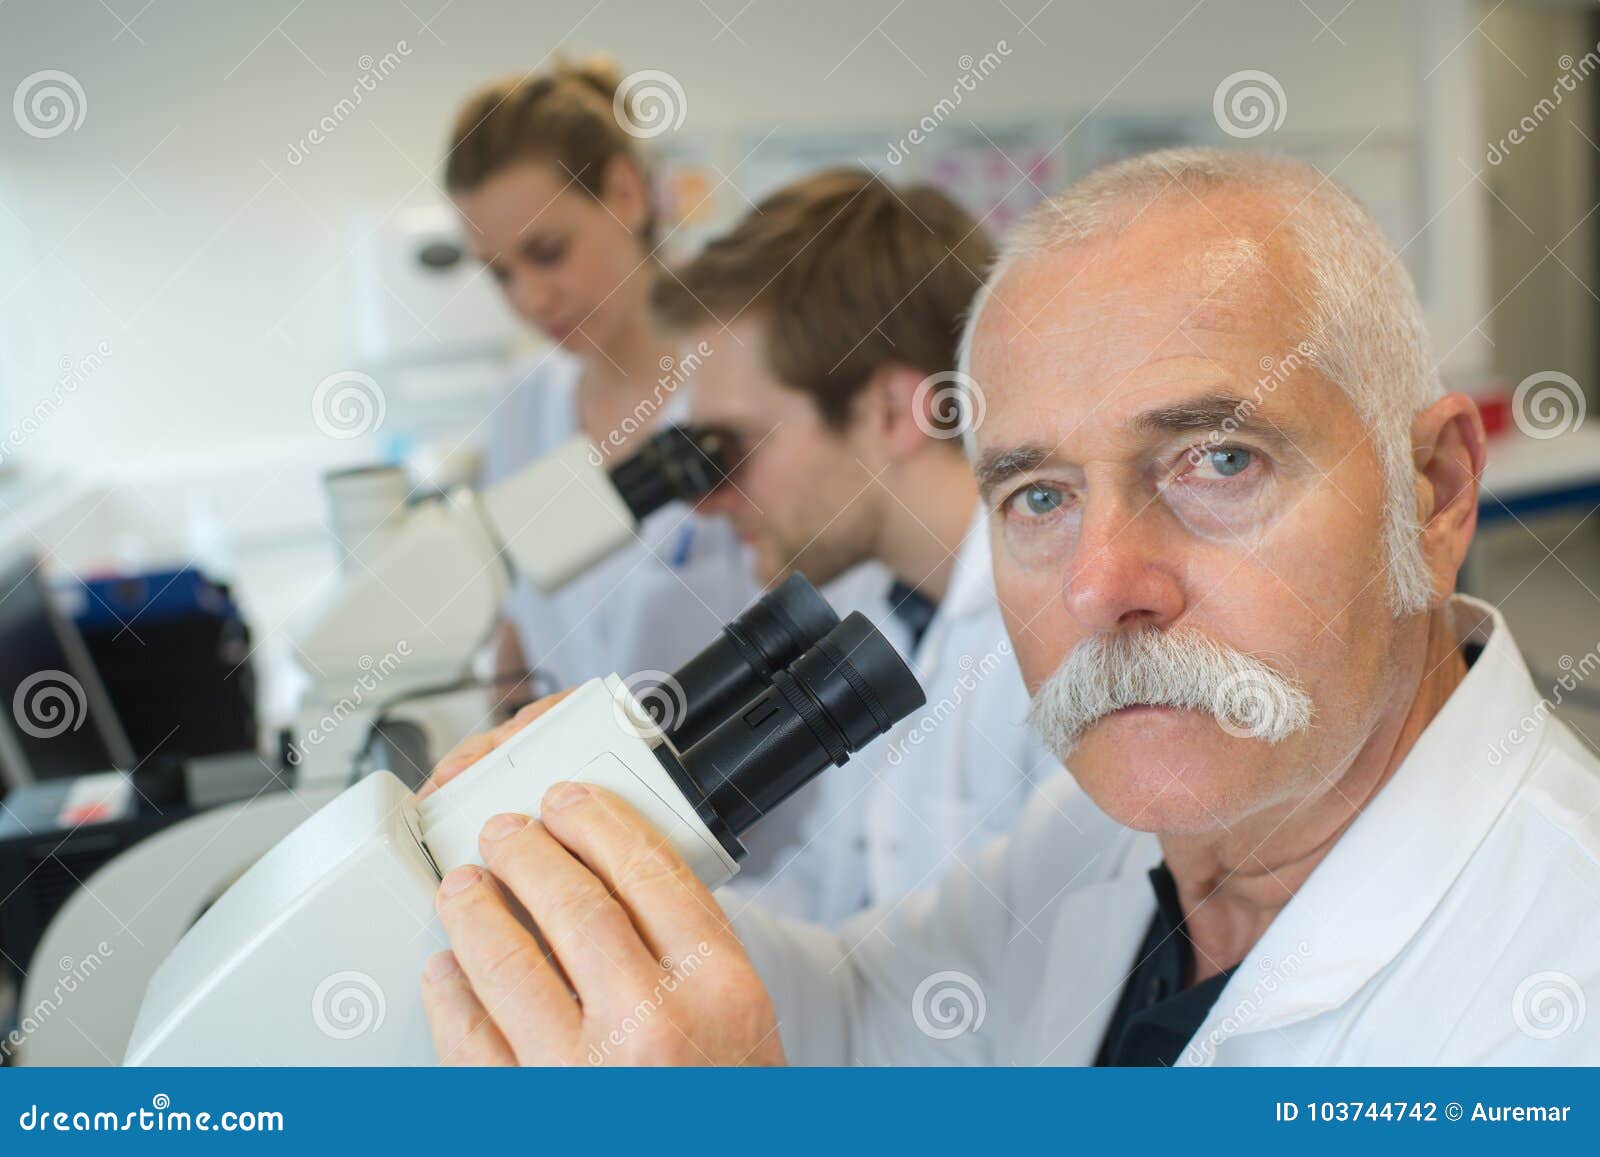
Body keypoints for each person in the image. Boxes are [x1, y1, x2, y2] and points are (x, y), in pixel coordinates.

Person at [414, 148, 1600, 1066]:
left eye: (1219, 462)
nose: (1099, 586)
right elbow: (869, 1013)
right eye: (1037, 494)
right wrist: (592, 876)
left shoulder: (1556, 991)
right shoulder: (1118, 830)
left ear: (1436, 489)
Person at [649, 169, 1062, 923]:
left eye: (733, 446)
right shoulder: (877, 610)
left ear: (891, 413)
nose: (711, 502)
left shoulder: (1058, 647)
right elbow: (827, 905)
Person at [444, 60, 754, 706]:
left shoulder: (744, 380)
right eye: (499, 274)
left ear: (624, 194)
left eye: (548, 252)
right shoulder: (523, 403)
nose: (530, 297)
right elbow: (521, 618)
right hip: (579, 792)